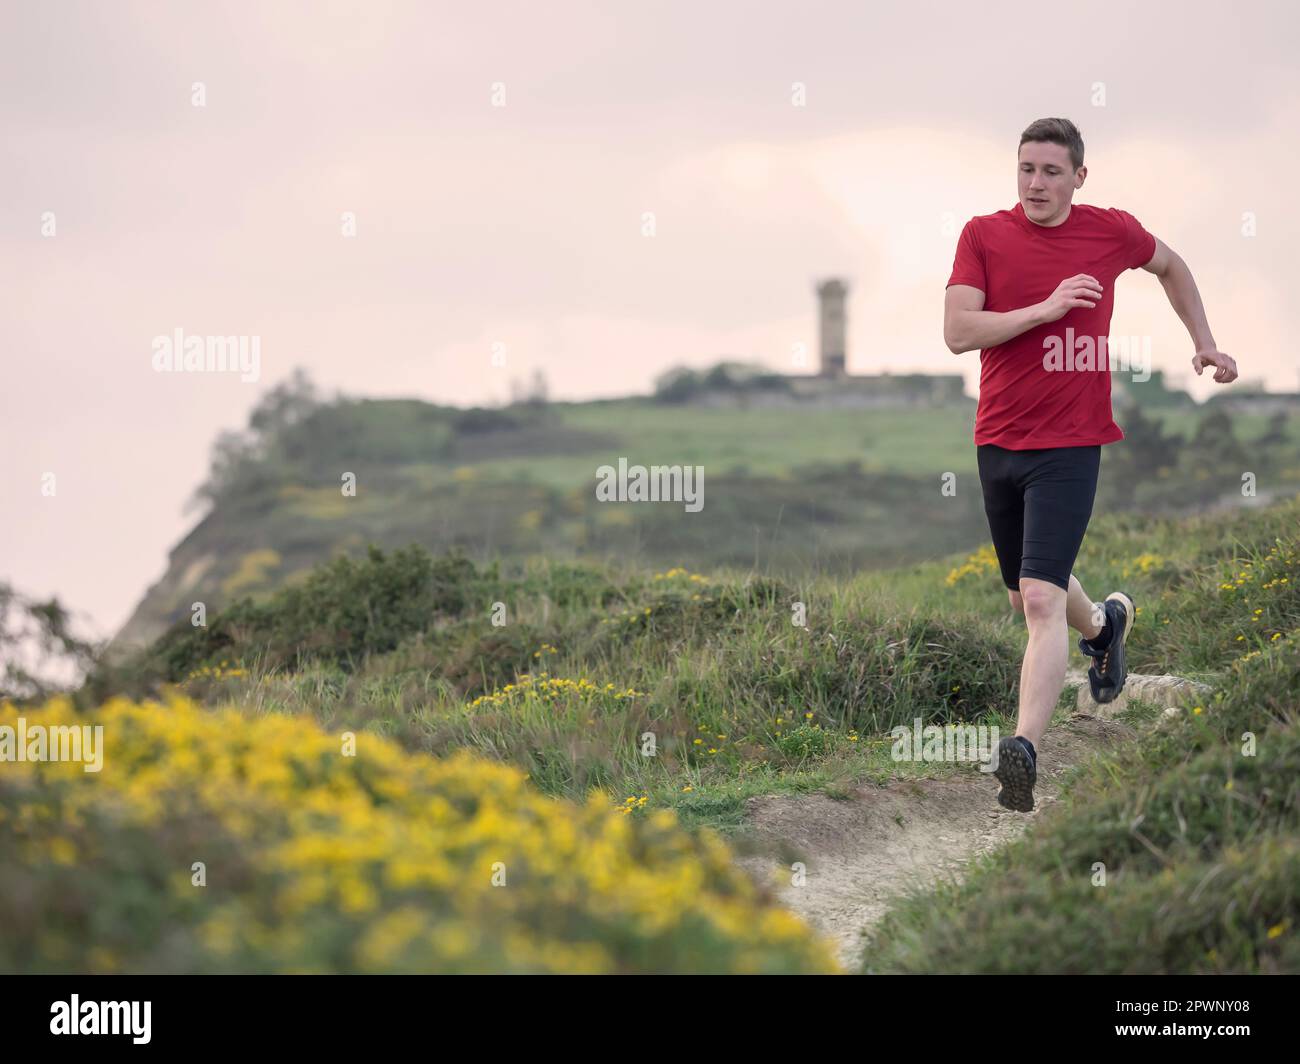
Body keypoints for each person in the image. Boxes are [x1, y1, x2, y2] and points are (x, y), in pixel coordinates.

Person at [943, 117, 1238, 812]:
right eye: (1026, 169)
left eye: (1051, 171)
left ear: (1080, 176)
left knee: (1040, 600)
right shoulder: (983, 235)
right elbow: (959, 332)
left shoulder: (1110, 231)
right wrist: (1044, 309)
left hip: (1072, 442)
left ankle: (1023, 751)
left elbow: (1171, 264)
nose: (1036, 183)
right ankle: (1104, 627)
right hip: (998, 440)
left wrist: (1205, 342)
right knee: (1024, 593)